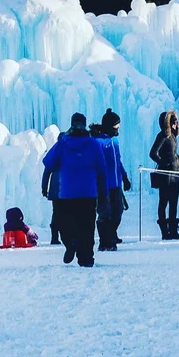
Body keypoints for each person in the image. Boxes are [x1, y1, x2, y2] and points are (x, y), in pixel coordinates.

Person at [41, 112, 107, 267]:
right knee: (87, 225)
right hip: (88, 193)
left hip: (67, 192)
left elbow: (48, 164)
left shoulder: (63, 143)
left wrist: (44, 186)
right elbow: (102, 170)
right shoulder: (93, 144)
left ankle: (71, 243)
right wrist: (103, 192)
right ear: (84, 124)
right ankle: (86, 258)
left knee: (66, 223)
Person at [95, 108, 131, 251]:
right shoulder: (98, 142)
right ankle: (105, 241)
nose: (118, 128)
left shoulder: (114, 141)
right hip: (103, 185)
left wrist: (125, 176)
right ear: (109, 126)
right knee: (105, 213)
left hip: (116, 183)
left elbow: (118, 162)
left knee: (118, 212)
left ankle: (111, 235)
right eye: (116, 126)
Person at [150, 109, 179, 240]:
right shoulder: (163, 136)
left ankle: (173, 231)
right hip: (165, 175)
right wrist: (163, 163)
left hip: (175, 175)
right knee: (163, 202)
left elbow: (171, 153)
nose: (177, 125)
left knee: (174, 203)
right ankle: (165, 232)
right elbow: (153, 153)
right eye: (174, 122)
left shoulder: (174, 137)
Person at [41, 131, 66, 244]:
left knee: (56, 212)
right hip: (69, 188)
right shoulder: (71, 150)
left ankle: (54, 237)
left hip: (56, 187)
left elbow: (47, 172)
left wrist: (44, 188)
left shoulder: (55, 151)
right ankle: (67, 237)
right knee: (69, 212)